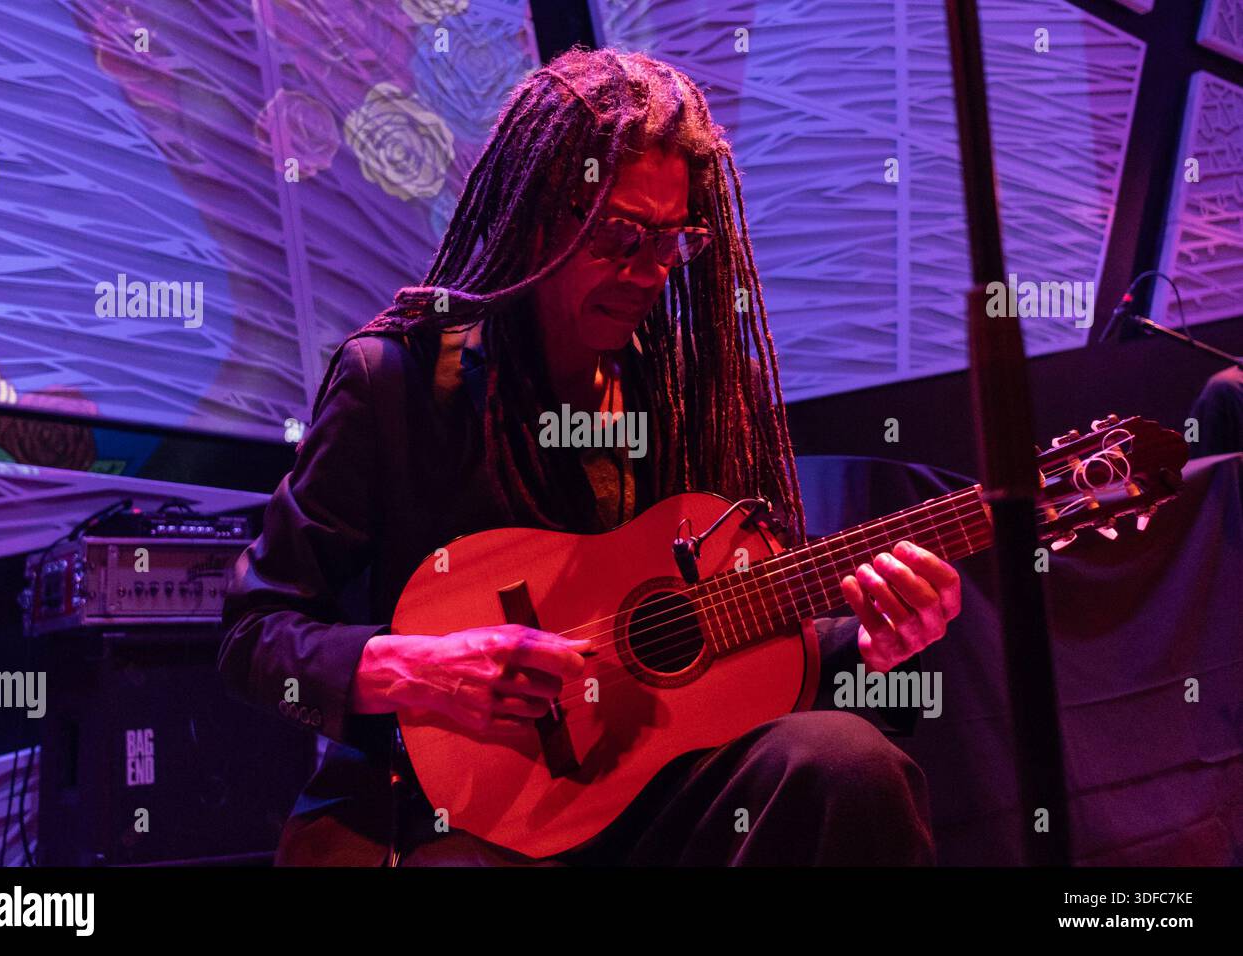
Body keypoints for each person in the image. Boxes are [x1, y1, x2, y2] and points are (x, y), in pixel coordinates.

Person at [219, 47, 962, 866]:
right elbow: (256, 637)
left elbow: (759, 644)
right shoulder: (394, 382)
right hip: (446, 807)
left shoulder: (703, 392)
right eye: (618, 234)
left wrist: (873, 648)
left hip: (654, 797)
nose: (648, 272)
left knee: (850, 765)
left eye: (673, 241)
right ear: (534, 213)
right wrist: (416, 670)